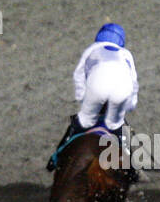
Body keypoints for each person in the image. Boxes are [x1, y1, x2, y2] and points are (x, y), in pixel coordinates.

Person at [47, 23, 138, 171]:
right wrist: (130, 105)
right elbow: (133, 84)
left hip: (96, 91)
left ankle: (56, 158)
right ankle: (131, 167)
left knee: (81, 122)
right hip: (121, 92)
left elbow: (79, 75)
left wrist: (81, 97)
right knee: (118, 126)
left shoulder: (91, 50)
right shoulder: (126, 55)